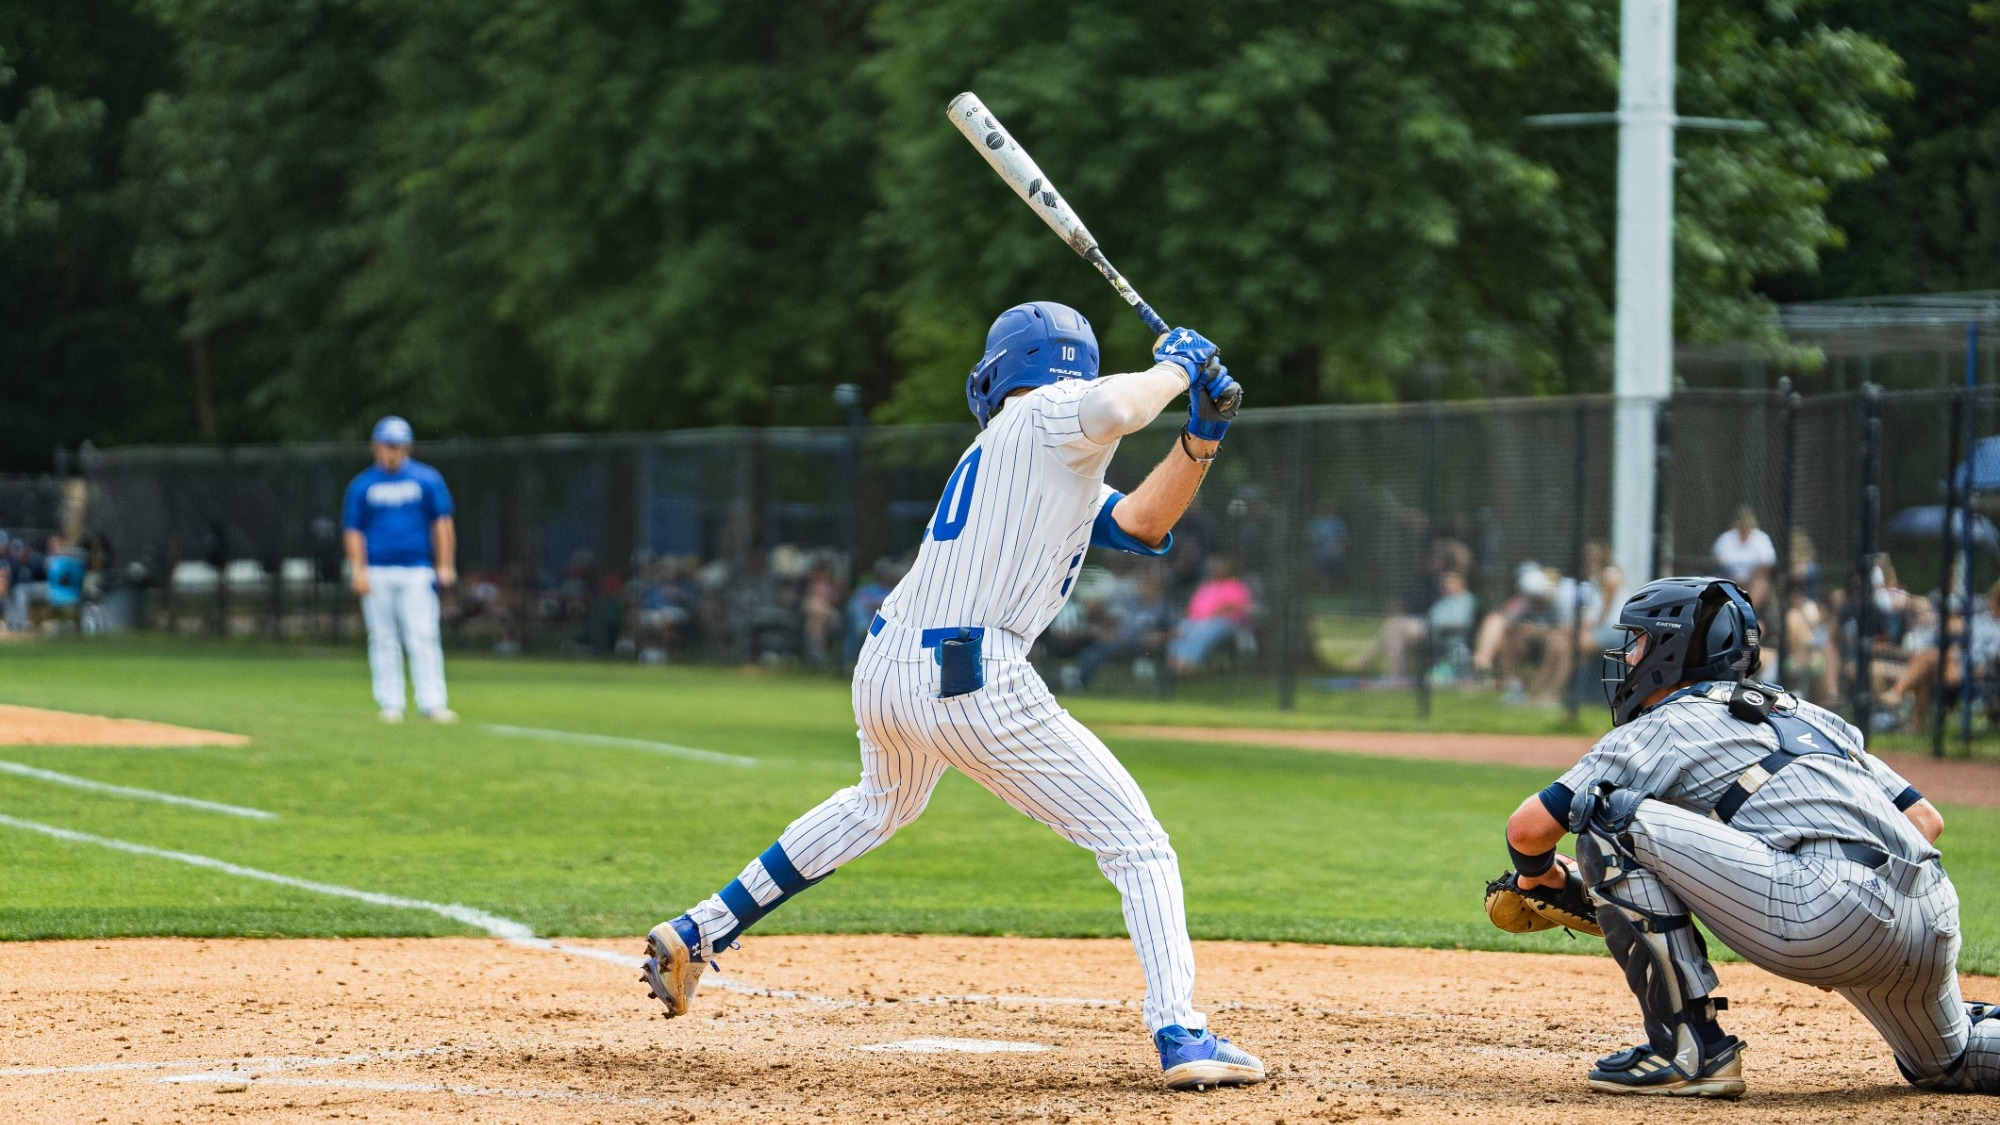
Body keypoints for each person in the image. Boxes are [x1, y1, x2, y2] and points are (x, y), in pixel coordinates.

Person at [640, 304, 1266, 1091]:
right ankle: (1181, 1032)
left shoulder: (1038, 454)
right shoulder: (1047, 414)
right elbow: (1117, 405)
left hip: (891, 661)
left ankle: (701, 928)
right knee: (1137, 841)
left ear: (998, 368)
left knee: (878, 805)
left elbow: (1143, 521)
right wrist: (1176, 367)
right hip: (970, 669)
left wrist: (1200, 437)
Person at [1498, 576, 1994, 1097]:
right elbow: (1925, 822)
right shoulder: (1806, 712)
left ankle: (1689, 1051)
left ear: (1672, 648)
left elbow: (1527, 830)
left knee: (1606, 814)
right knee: (1949, 1062)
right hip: (1932, 918)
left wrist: (1542, 881)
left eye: (1638, 641)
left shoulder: (1666, 723)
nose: (1628, 657)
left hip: (1826, 913)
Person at [341, 416, 458, 723]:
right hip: (378, 569)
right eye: (386, 445)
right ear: (376, 446)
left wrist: (445, 565)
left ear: (407, 446)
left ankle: (432, 701)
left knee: (423, 635)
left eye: (396, 445)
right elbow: (353, 530)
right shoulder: (363, 484)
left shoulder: (427, 479)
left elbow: (442, 523)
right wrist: (359, 570)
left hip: (417, 569)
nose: (391, 451)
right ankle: (390, 702)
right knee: (383, 638)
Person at [1166, 556, 1254, 675]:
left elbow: (1239, 606)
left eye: (1220, 567)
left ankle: (1187, 665)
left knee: (1201, 631)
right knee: (1180, 629)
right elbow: (1192, 607)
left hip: (1225, 621)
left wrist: (1219, 611)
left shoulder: (1235, 585)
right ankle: (1173, 664)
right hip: (1197, 620)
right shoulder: (1207, 586)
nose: (1216, 569)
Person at [1711, 505, 1777, 608]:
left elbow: (1766, 566)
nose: (1744, 523)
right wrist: (1735, 579)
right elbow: (1718, 562)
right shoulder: (1726, 539)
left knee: (1761, 584)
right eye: (1741, 519)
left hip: (1752, 580)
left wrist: (1749, 578)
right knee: (1718, 580)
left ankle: (1749, 612)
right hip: (1729, 579)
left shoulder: (1761, 539)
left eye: (1747, 519)